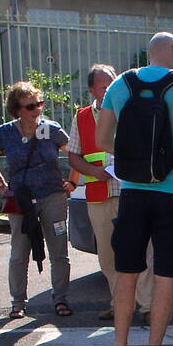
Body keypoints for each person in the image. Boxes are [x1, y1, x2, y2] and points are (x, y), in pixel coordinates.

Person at [96, 32, 173, 346]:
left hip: (133, 193)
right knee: (165, 275)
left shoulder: (119, 85)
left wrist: (131, 160)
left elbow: (101, 141)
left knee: (127, 273)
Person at [66, 63, 153, 326]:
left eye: (113, 83)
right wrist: (93, 169)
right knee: (108, 256)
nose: (109, 89)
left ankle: (148, 307)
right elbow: (73, 155)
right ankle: (119, 306)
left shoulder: (134, 111)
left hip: (134, 192)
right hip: (100, 194)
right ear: (92, 89)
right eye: (103, 86)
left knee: (144, 251)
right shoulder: (81, 117)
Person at [0, 81, 74, 319]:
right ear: (17, 109)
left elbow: (75, 152)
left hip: (53, 196)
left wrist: (73, 181)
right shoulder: (5, 132)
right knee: (19, 252)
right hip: (20, 199)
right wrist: (1, 185)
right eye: (30, 106)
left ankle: (61, 299)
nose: (37, 109)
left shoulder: (51, 129)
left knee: (59, 251)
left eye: (40, 104)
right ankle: (18, 303)